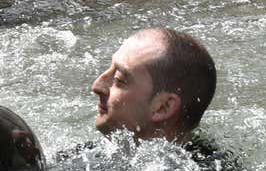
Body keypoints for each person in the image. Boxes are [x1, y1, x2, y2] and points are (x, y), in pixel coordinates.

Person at [88, 26, 216, 143]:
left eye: (118, 79)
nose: (97, 86)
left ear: (163, 107)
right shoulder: (79, 158)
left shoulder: (209, 167)